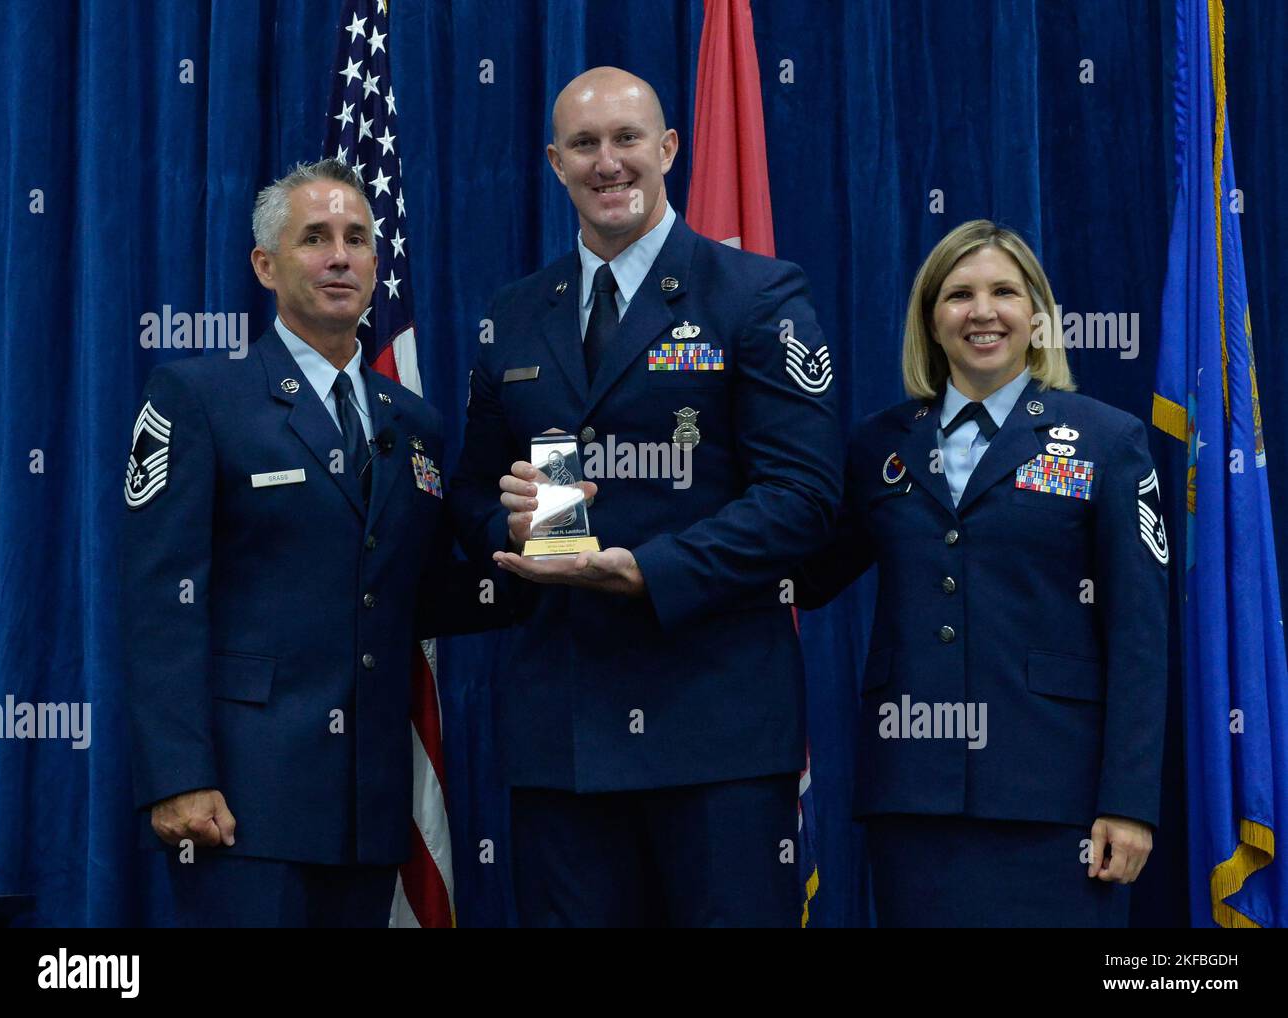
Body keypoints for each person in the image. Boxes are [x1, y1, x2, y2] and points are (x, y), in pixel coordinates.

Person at [449, 67, 842, 927]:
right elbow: (472, 488)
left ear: (668, 148)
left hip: (715, 735)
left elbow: (805, 496)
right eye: (584, 145)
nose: (608, 163)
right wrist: (512, 529)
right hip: (564, 739)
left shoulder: (758, 295)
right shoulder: (516, 314)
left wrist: (650, 571)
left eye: (627, 139)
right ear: (555, 163)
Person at [121, 158, 493, 927]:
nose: (339, 257)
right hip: (240, 802)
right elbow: (162, 599)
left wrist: (541, 561)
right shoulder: (199, 397)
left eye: (357, 239)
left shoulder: (411, 420)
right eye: (314, 238)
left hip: (367, 803)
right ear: (266, 264)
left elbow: (409, 594)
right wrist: (178, 776)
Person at [799, 220, 1169, 927]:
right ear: (931, 320)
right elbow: (807, 575)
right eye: (959, 294)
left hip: (1055, 800)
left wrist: (1128, 803)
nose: (982, 311)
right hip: (914, 801)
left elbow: (1141, 638)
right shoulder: (881, 443)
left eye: (1004, 291)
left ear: (1036, 315)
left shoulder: (1106, 440)